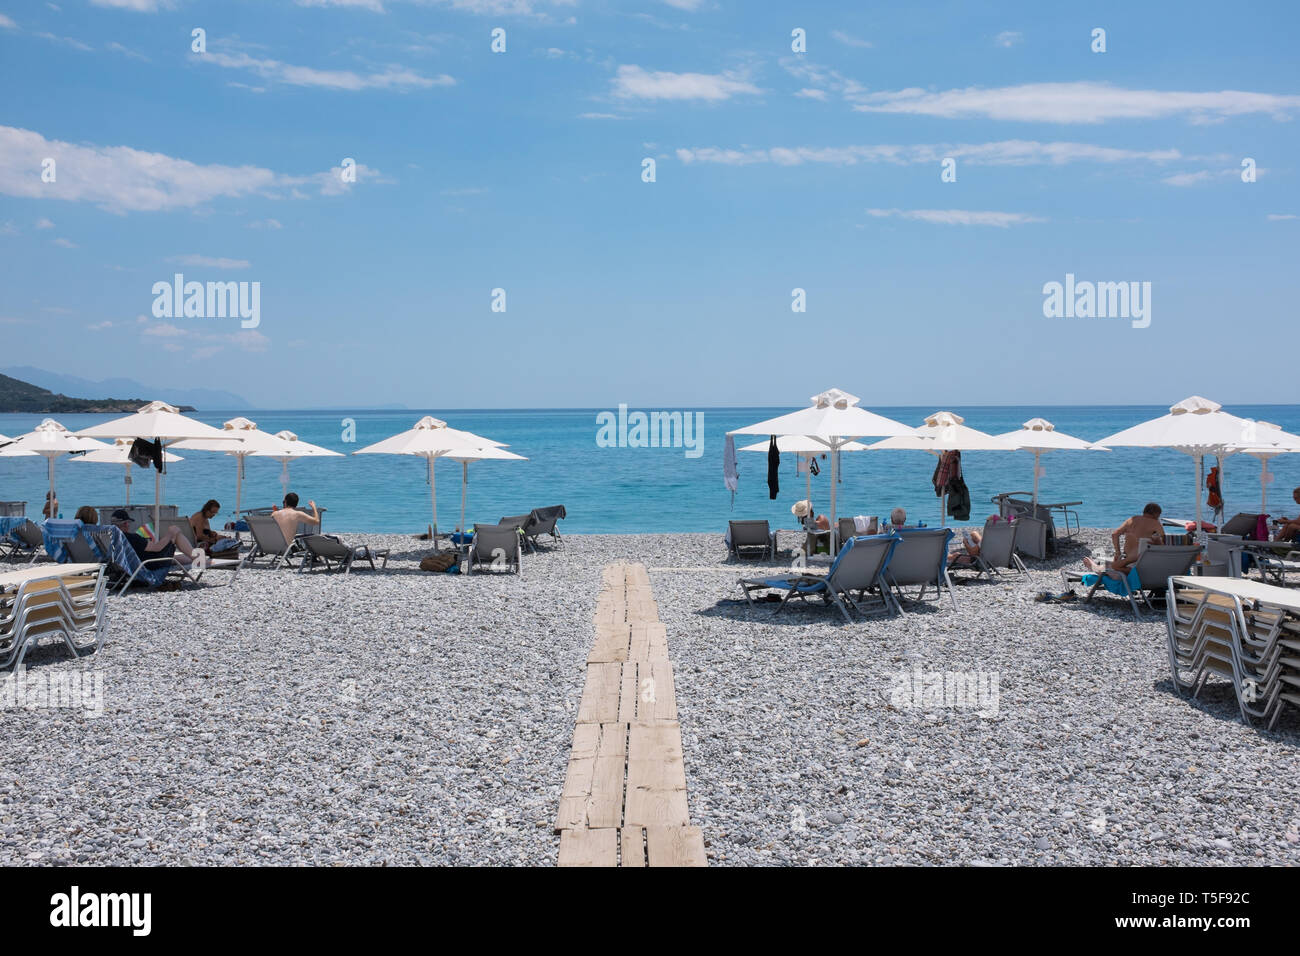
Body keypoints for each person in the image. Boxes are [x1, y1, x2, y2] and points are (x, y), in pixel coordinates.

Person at [1083, 502, 1165, 576]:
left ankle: (1095, 567)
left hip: (1129, 559)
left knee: (1112, 566)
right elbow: (1165, 546)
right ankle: (1097, 567)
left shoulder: (1132, 520)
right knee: (1115, 566)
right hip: (1144, 563)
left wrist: (1117, 552)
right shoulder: (1156, 524)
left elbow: (1114, 534)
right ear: (1156, 514)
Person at [109, 509, 197, 567]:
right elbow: (157, 548)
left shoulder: (113, 538)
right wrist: (170, 534)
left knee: (174, 557)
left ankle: (193, 560)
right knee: (175, 533)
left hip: (135, 564)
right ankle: (197, 560)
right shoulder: (132, 538)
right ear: (125, 523)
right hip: (151, 564)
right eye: (127, 523)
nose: (128, 525)